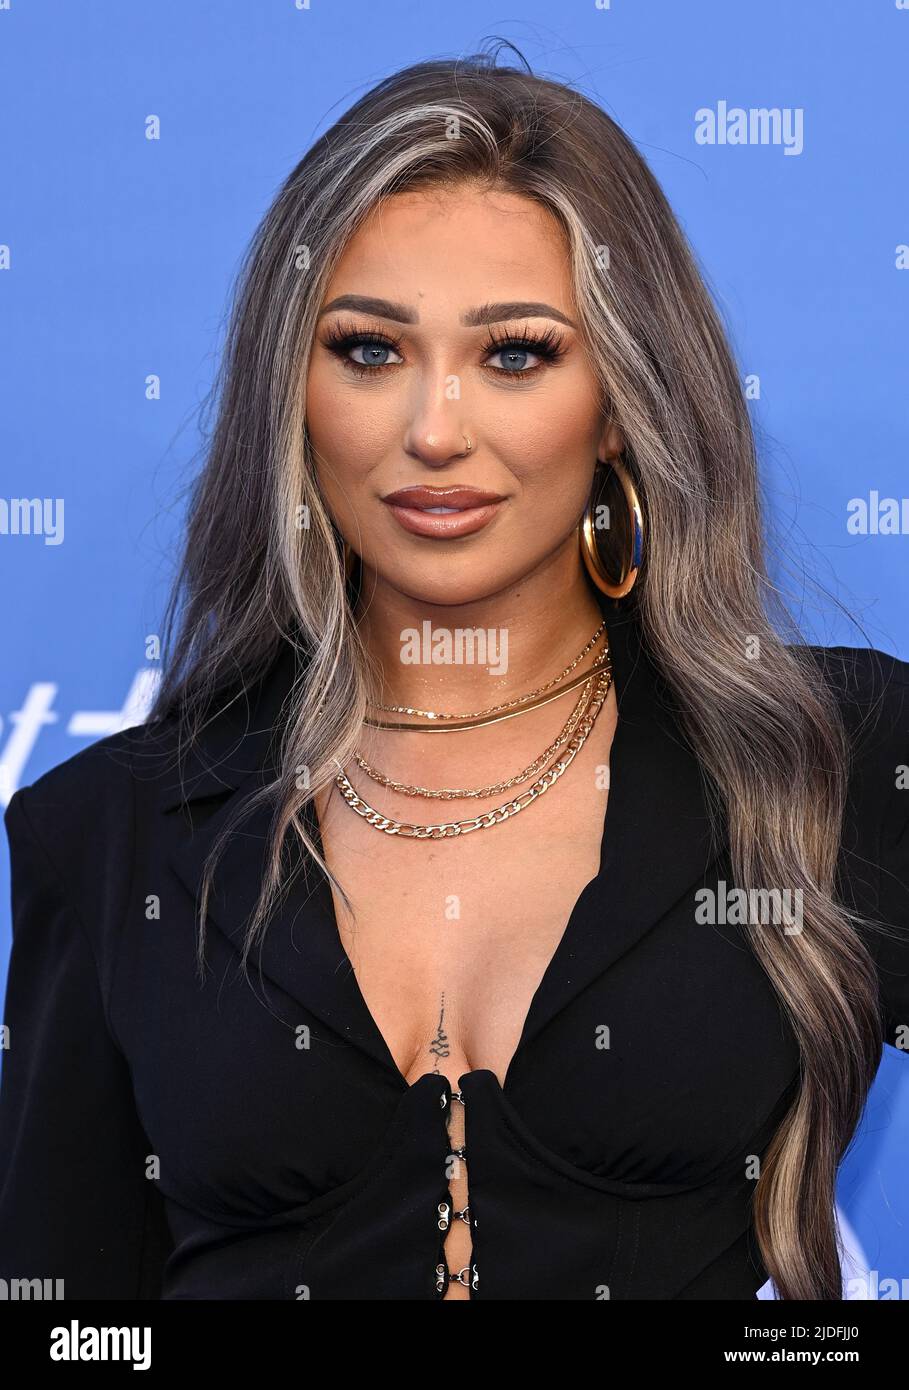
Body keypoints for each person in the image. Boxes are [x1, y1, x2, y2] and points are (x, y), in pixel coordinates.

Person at [1, 51, 907, 1302]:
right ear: (291, 395)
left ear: (620, 405)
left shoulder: (839, 759)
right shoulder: (112, 831)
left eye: (518, 354)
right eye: (368, 351)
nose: (434, 428)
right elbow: (67, 1321)